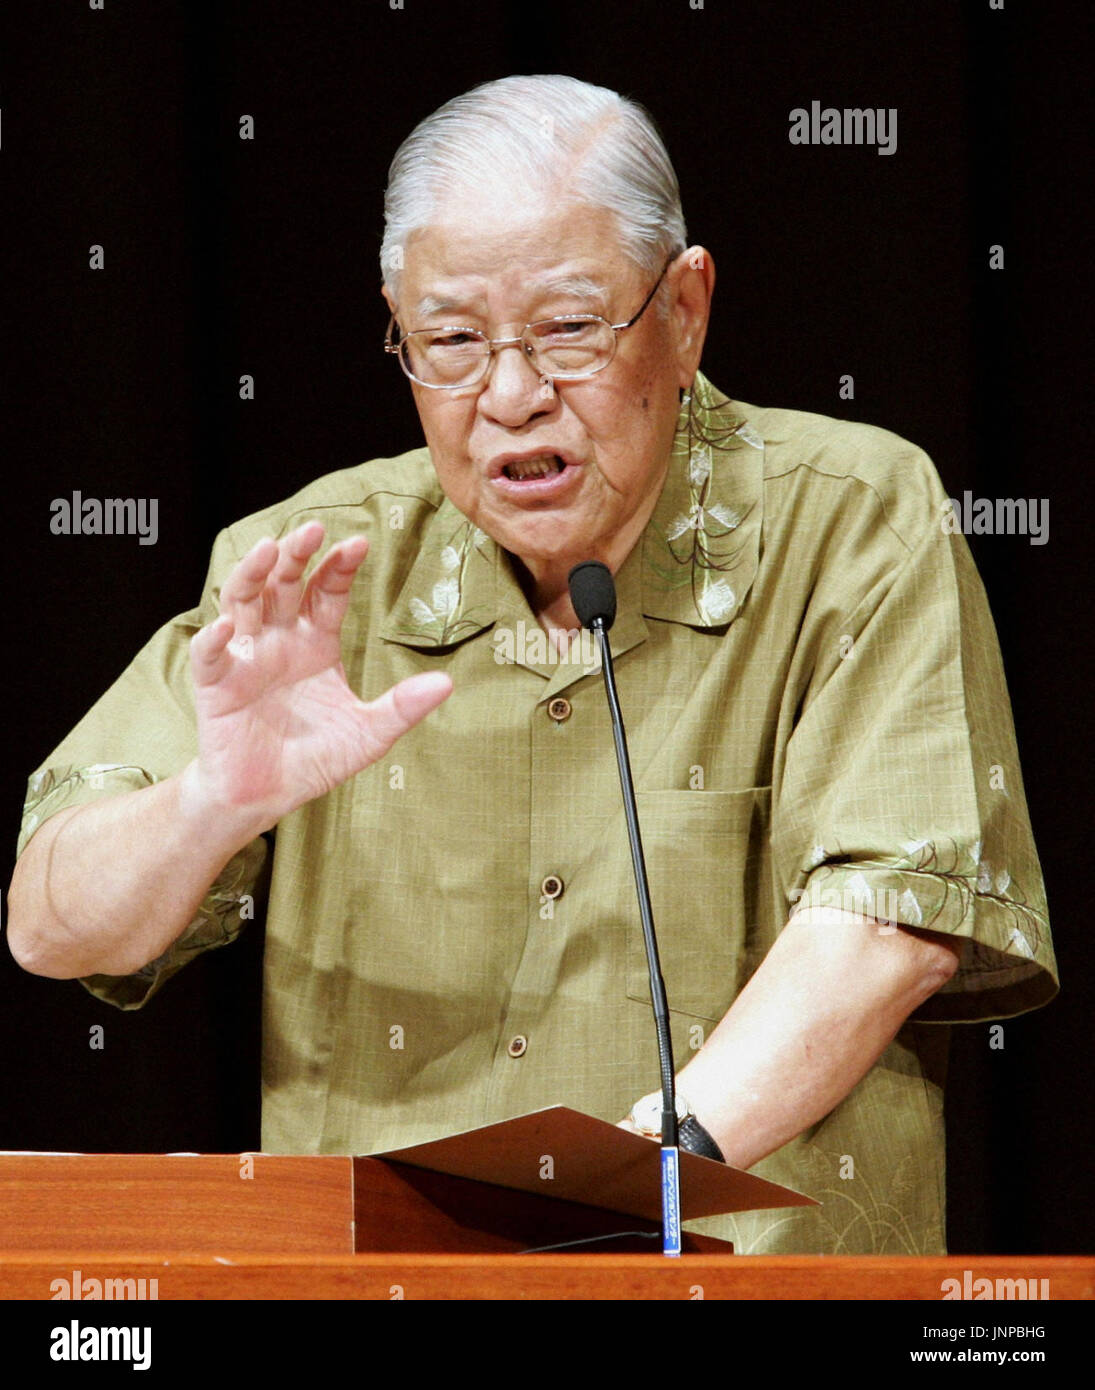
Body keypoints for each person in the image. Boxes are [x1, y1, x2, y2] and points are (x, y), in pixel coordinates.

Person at [8, 74, 1056, 1254]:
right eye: (450, 341)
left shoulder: (853, 520)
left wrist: (612, 1197)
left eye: (567, 328)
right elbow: (53, 927)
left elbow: (883, 927)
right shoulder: (312, 571)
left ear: (687, 307)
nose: (508, 396)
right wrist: (211, 802)